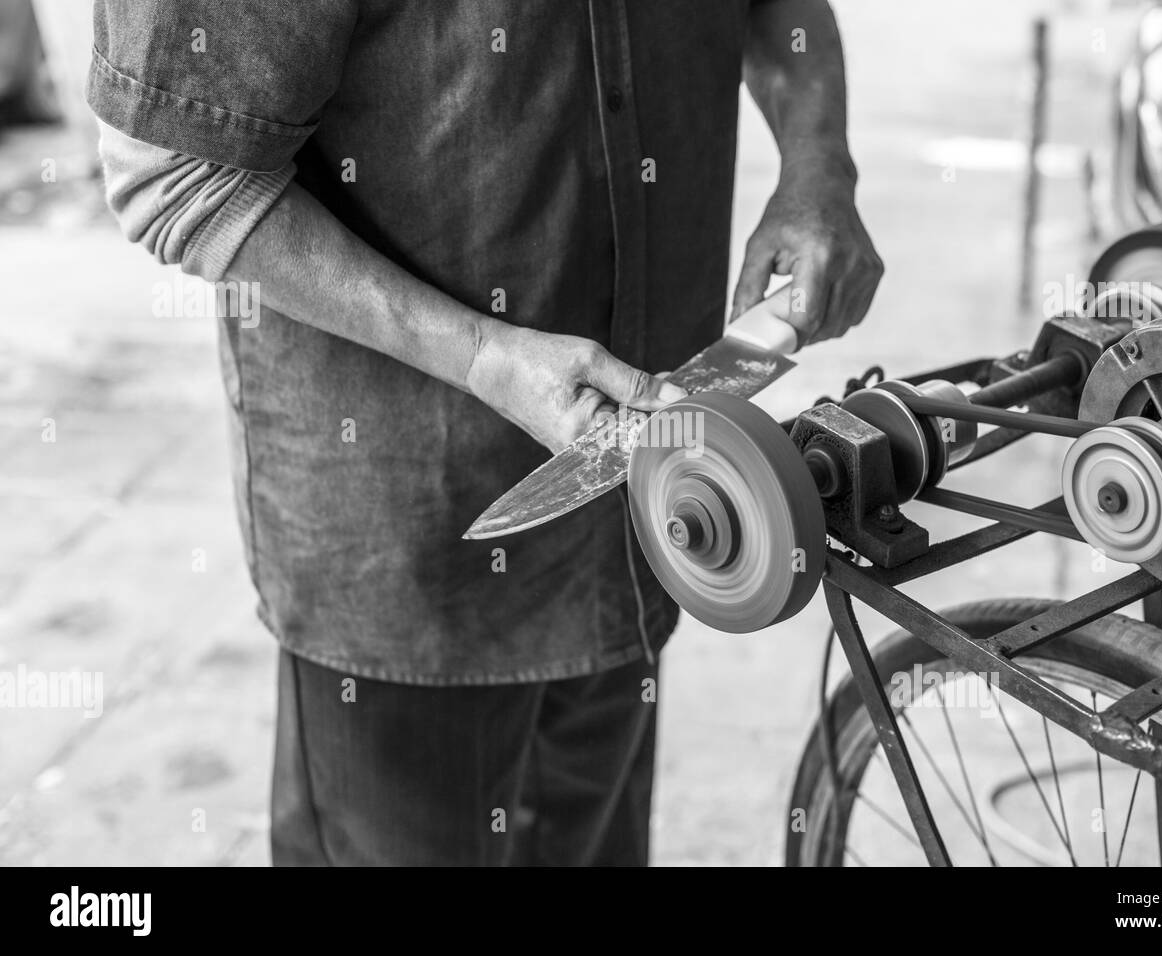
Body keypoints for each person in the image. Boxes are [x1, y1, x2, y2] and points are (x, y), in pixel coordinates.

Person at [88, 0, 883, 865]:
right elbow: (171, 174)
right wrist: (478, 352)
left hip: (642, 511)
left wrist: (818, 168)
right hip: (411, 548)